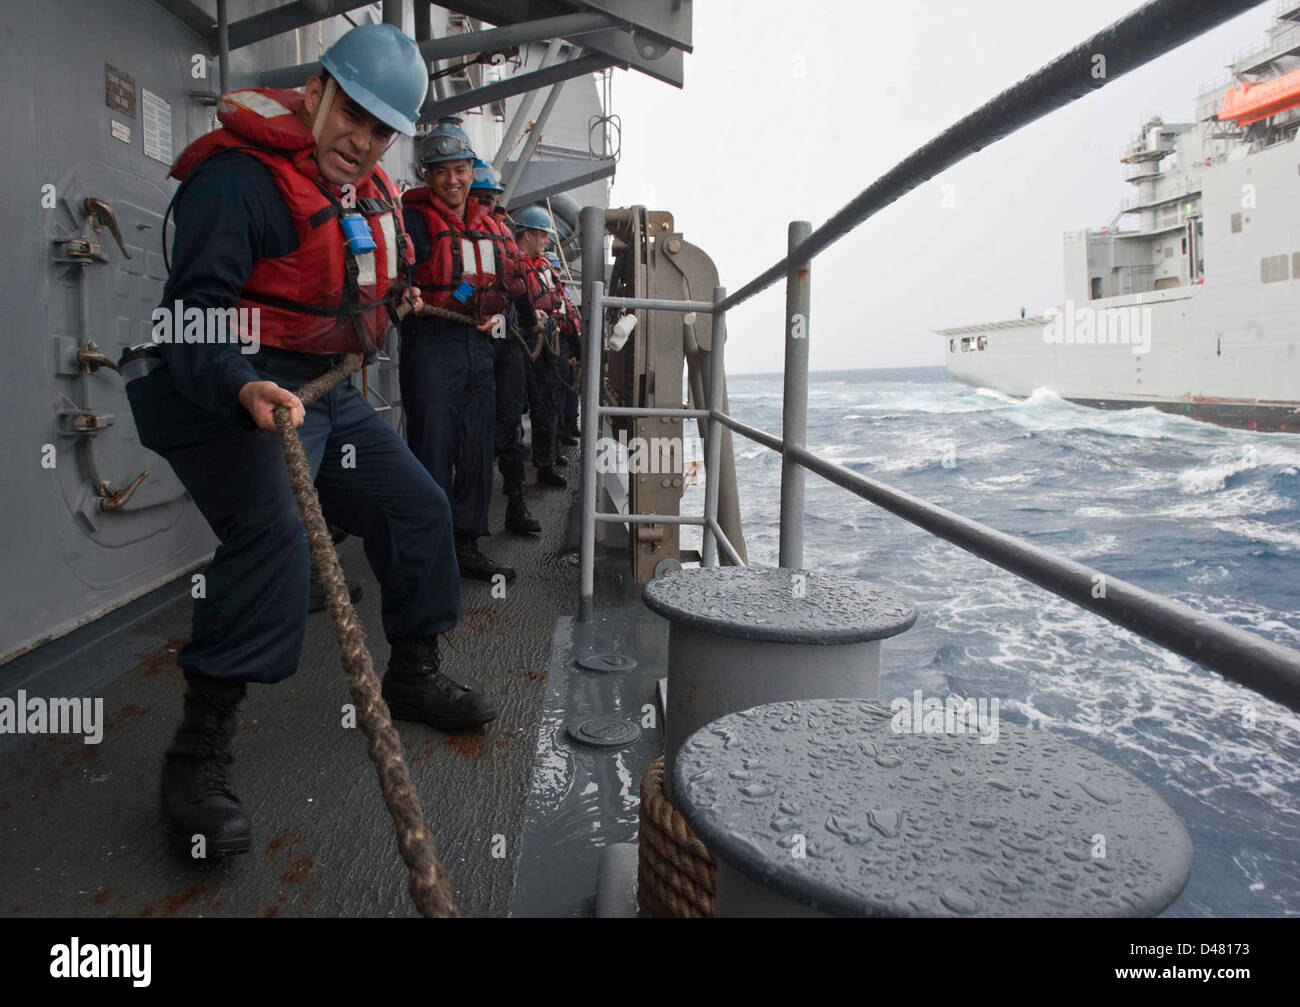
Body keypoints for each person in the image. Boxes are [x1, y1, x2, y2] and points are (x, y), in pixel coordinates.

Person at [126, 23, 498, 858]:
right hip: (234, 386)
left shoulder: (357, 194)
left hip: (323, 393)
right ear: (317, 92)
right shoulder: (239, 181)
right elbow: (190, 318)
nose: (361, 142)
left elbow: (357, 277)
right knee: (275, 539)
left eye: (380, 132)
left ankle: (409, 671)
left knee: (418, 506)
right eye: (352, 117)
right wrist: (242, 385)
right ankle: (197, 752)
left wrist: (396, 298)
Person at [398, 122, 545, 578]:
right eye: (441, 172)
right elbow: (392, 272)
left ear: (470, 171)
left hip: (479, 347)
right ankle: (430, 549)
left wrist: (500, 314)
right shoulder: (414, 222)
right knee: (433, 449)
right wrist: (403, 295)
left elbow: (506, 285)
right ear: (428, 175)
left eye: (460, 170)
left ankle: (466, 545)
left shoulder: (492, 228)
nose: (453, 180)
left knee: (477, 450)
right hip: (431, 345)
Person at [469, 162, 542, 535]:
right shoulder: (460, 231)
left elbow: (518, 289)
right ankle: (470, 526)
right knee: (477, 432)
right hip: (472, 339)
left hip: (505, 340)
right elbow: (453, 282)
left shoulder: (501, 235)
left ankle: (514, 505)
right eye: (481, 198)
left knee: (509, 424)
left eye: (491, 198)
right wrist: (467, 305)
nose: (487, 204)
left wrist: (528, 324)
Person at [514, 207, 569, 488]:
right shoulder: (517, 264)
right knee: (514, 406)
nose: (545, 242)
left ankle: (544, 464)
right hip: (522, 338)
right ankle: (513, 475)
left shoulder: (541, 266)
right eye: (543, 237)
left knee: (545, 403)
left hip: (545, 338)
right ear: (529, 234)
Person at [547, 253, 582, 446]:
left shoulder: (563, 294)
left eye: (558, 269)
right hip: (555, 348)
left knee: (569, 393)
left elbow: (571, 324)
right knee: (557, 397)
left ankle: (566, 428)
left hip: (565, 348)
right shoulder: (548, 292)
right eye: (554, 269)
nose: (556, 273)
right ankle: (558, 436)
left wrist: (576, 355)